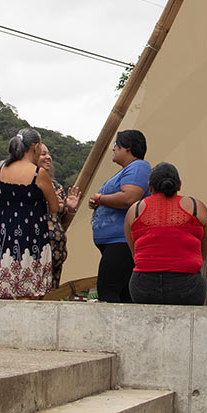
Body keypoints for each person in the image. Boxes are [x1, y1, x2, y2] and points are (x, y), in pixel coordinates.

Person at [126, 162, 207, 305]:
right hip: (187, 286)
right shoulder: (196, 207)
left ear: (149, 186)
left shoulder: (135, 210)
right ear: (179, 184)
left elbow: (134, 252)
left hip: (144, 286)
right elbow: (205, 248)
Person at [0, 128, 58, 300]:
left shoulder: (3, 168)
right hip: (30, 233)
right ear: (35, 147)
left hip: (3, 231)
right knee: (30, 290)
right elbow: (54, 206)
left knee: (4, 282)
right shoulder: (38, 174)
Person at [87, 129, 150, 302]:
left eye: (117, 145)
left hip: (121, 242)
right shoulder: (128, 170)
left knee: (108, 290)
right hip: (114, 242)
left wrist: (100, 199)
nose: (114, 148)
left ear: (128, 148)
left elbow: (129, 198)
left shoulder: (138, 167)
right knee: (122, 293)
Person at [39, 143, 82, 293]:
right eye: (43, 154)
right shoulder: (29, 185)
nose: (48, 157)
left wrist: (70, 208)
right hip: (37, 249)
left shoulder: (56, 187)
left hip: (57, 251)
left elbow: (62, 221)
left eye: (48, 153)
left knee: (51, 294)